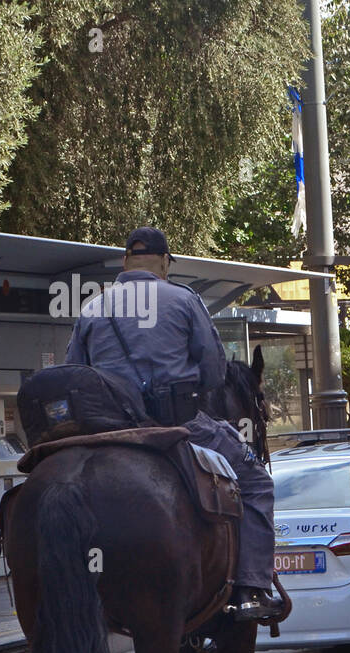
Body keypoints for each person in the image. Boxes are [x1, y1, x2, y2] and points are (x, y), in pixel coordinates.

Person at [65, 227, 280, 621]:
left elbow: (73, 373)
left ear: (125, 262)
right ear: (164, 262)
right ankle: (252, 589)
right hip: (178, 423)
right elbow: (215, 372)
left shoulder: (93, 309)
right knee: (256, 483)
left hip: (109, 428)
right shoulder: (183, 299)